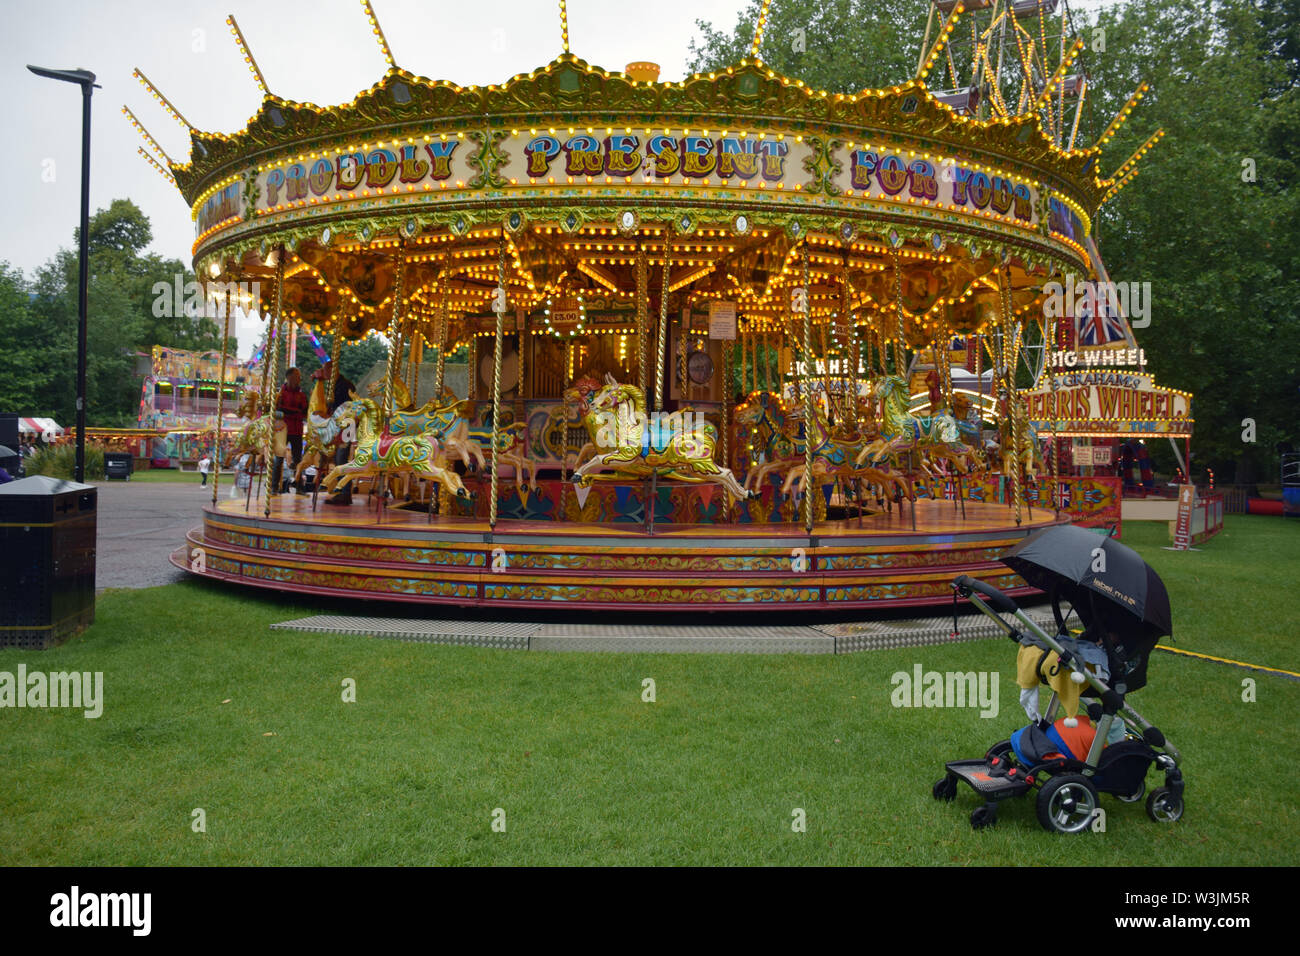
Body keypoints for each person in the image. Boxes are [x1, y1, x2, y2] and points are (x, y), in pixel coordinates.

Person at [318, 360, 358, 507]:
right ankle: (342, 492)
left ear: (332, 371)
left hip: (346, 426)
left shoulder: (344, 386)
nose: (325, 374)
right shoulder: (337, 385)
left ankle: (344, 493)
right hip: (343, 425)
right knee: (339, 458)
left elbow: (343, 407)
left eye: (326, 371)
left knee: (342, 459)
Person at [275, 367, 309, 493]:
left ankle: (299, 486)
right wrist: (295, 412)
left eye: (299, 376)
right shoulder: (281, 394)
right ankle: (274, 486)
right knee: (278, 457)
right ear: (289, 377)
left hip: (297, 429)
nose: (299, 378)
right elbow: (279, 410)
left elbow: (305, 411)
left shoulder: (301, 395)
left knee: (298, 459)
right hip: (284, 429)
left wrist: (291, 411)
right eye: (296, 376)